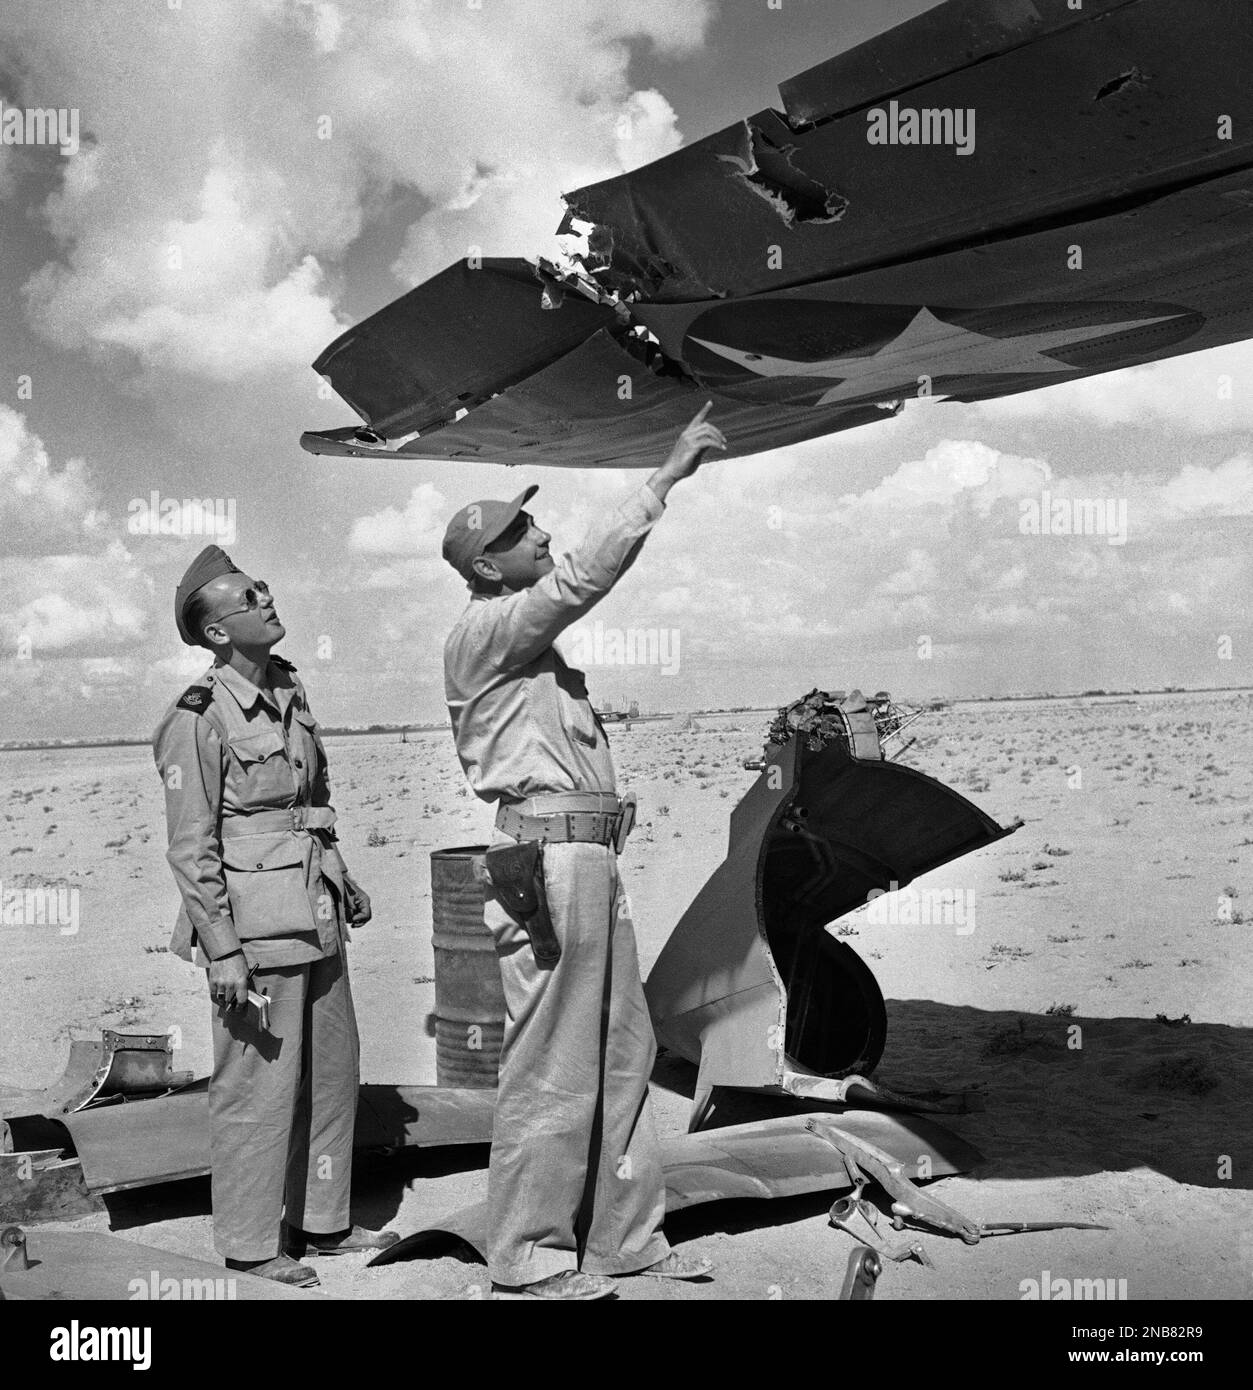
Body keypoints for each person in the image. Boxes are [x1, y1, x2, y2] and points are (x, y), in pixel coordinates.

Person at [442, 403, 726, 1299]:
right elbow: (578, 581)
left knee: (620, 1050)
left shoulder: (529, 649)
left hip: (588, 860)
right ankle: (527, 1258)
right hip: (550, 864)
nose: (542, 535)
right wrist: (663, 478)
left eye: (535, 523)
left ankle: (624, 1241)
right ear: (488, 567)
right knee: (552, 1066)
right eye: (521, 533)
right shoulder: (488, 631)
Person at [153, 545, 397, 1287]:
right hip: (256, 931)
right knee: (256, 1088)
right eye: (248, 598)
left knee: (332, 1074)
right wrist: (223, 951)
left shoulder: (289, 687)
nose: (265, 599)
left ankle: (321, 1222)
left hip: (315, 911)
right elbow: (191, 848)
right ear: (217, 632)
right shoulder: (196, 717)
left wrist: (342, 874)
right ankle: (252, 1243)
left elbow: (308, 806)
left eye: (263, 587)